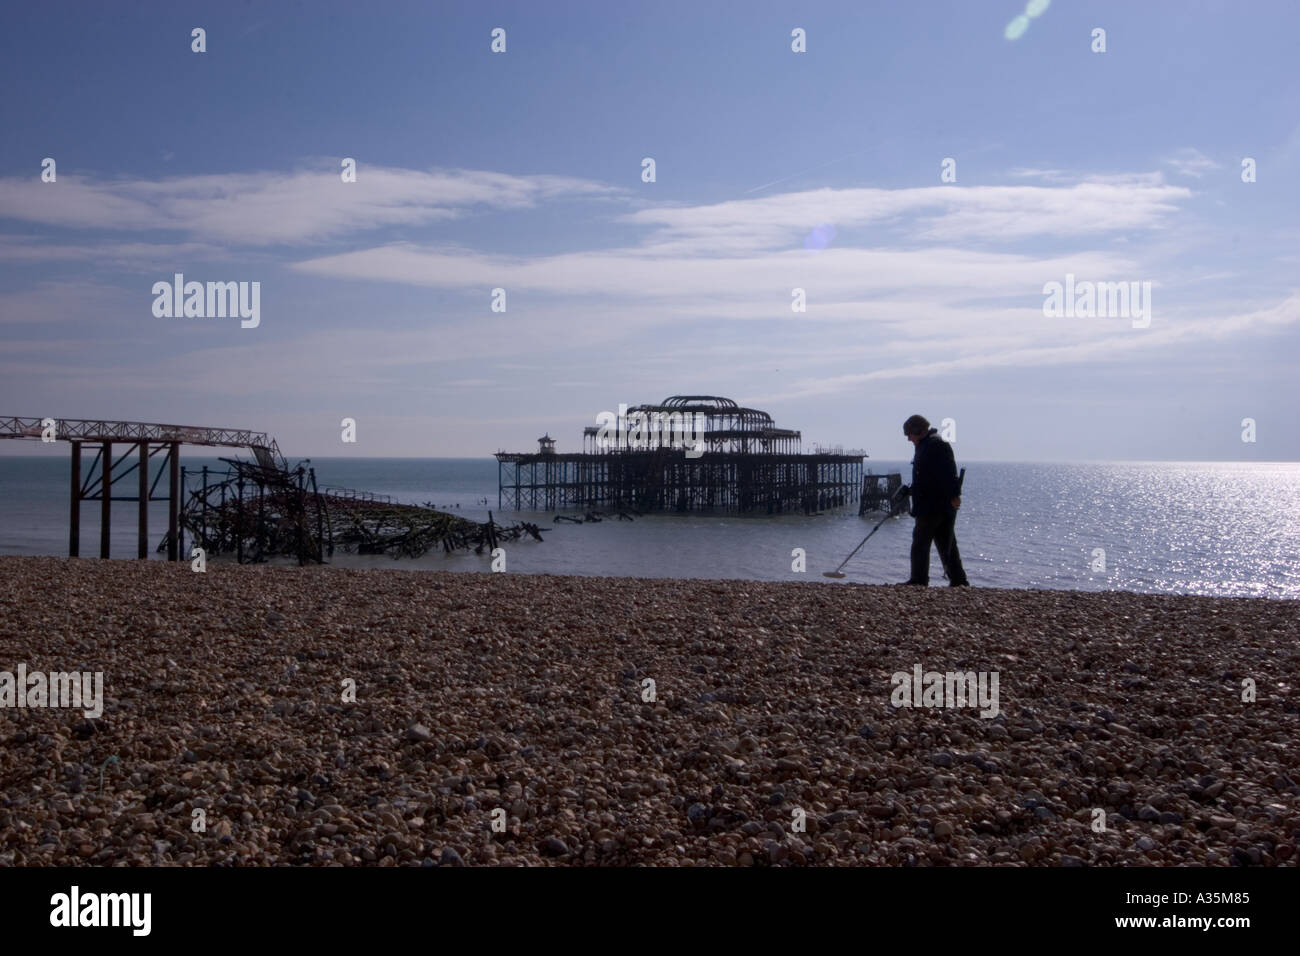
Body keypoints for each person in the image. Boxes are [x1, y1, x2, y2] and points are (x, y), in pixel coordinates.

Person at [897, 415, 969, 587]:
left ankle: (919, 579)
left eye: (909, 434)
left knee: (921, 542)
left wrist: (954, 495)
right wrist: (911, 490)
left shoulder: (936, 444)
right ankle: (959, 581)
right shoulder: (926, 445)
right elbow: (927, 478)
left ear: (918, 431)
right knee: (946, 543)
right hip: (934, 503)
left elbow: (948, 472)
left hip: (934, 505)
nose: (908, 439)